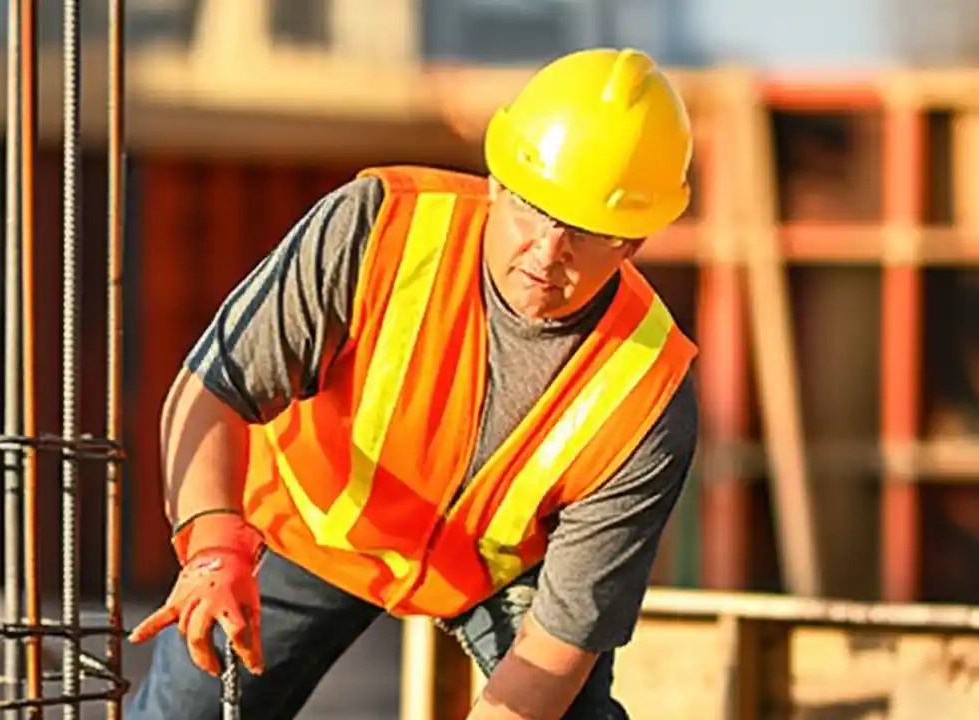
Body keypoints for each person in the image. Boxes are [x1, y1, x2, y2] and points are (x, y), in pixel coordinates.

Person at [126, 47, 700, 720]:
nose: (548, 253)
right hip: (302, 526)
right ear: (496, 182)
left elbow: (558, 646)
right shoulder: (379, 229)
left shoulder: (647, 394)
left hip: (489, 575)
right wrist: (213, 548)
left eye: (587, 232)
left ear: (633, 240)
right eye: (533, 209)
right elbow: (212, 389)